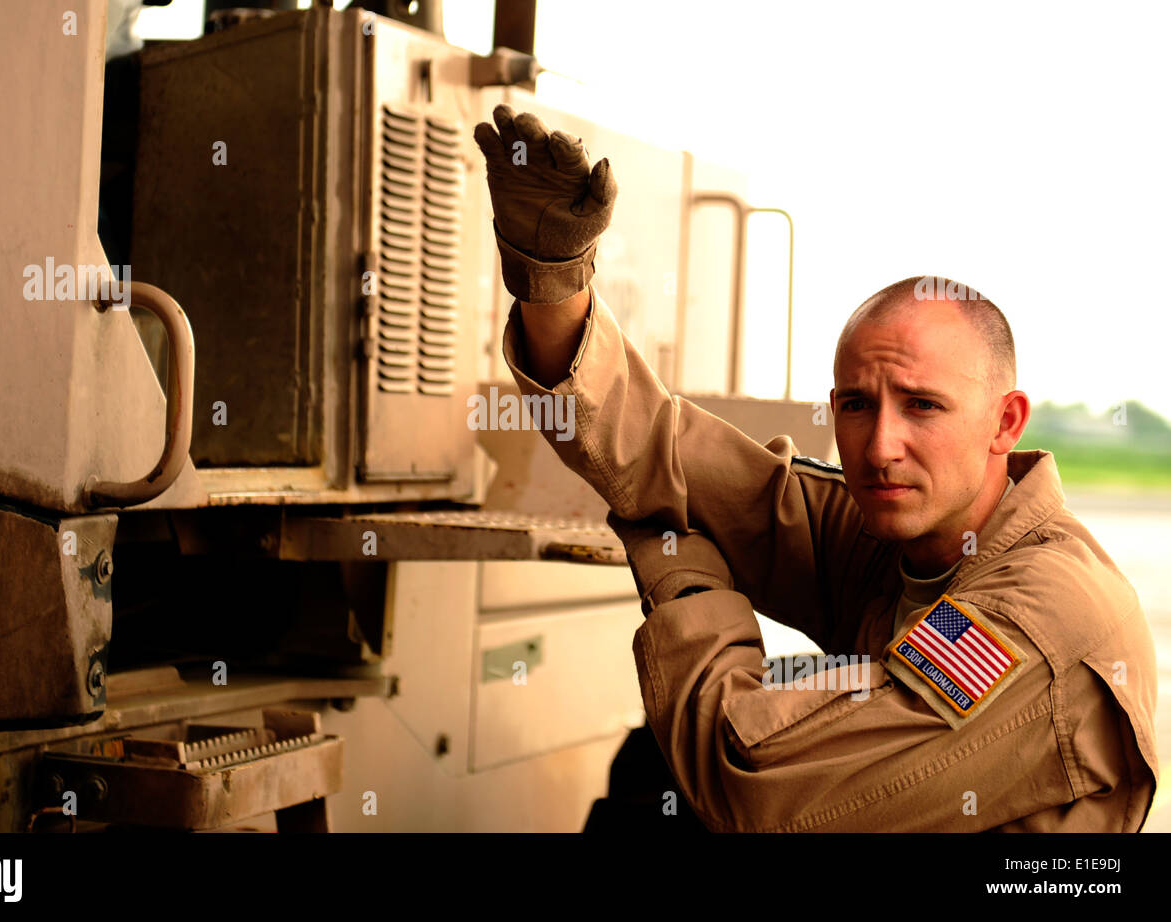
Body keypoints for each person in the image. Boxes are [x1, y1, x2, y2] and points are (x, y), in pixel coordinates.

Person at [474, 104, 1159, 832]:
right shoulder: (907, 529)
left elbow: (755, 791)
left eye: (923, 407)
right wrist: (552, 281)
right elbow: (659, 448)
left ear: (1006, 423)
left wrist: (683, 577)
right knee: (649, 773)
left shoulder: (1030, 620)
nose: (881, 445)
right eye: (858, 405)